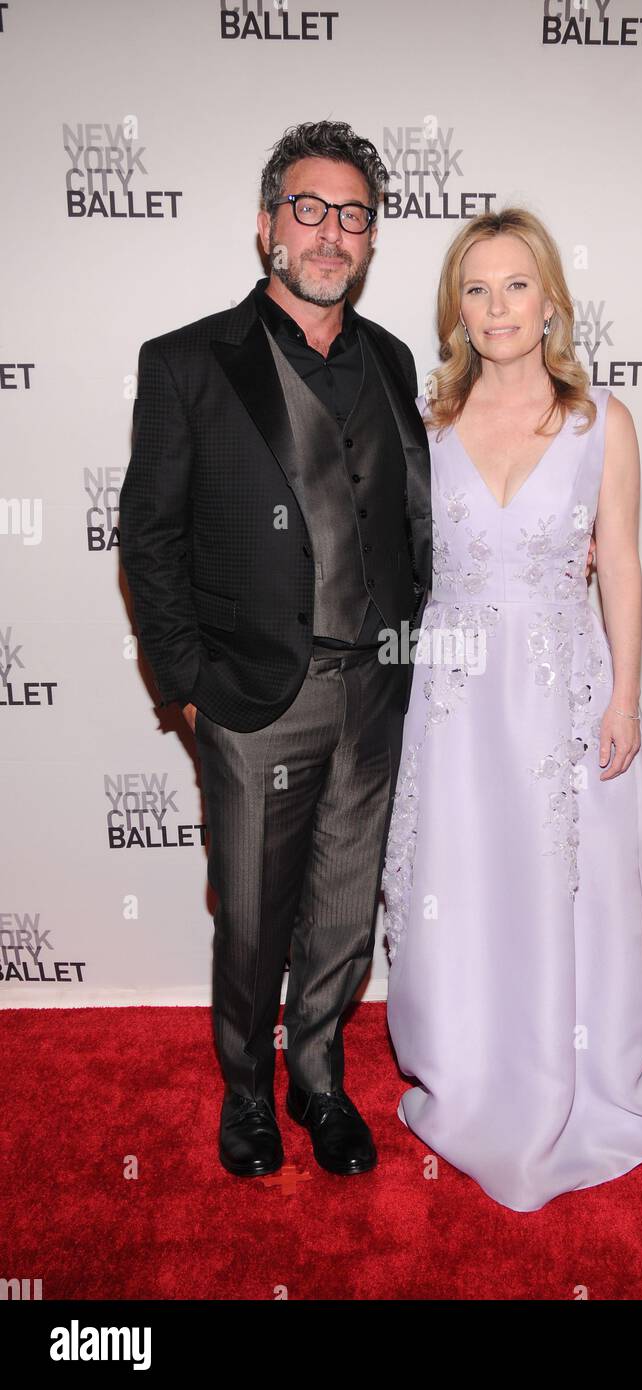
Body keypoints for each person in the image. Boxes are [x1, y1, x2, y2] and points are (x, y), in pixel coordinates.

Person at [381, 207, 642, 1213]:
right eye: (475, 287)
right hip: (455, 696)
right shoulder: (424, 425)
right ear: (455, 310)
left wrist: (626, 693)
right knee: (467, 878)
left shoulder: (601, 423)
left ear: (549, 300)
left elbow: (620, 565)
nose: (496, 306)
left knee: (567, 885)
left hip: (560, 687)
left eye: (514, 285)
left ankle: (581, 1068)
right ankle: (473, 1064)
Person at [119, 121, 432, 1179]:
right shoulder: (185, 364)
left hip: (371, 689)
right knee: (251, 921)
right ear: (267, 227)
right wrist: (189, 690)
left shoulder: (391, 361)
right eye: (308, 208)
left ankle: (319, 1081)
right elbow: (149, 540)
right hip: (255, 697)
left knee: (344, 909)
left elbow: (411, 528)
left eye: (351, 214)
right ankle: (245, 1090)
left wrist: (404, 651)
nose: (329, 232)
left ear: (370, 237)